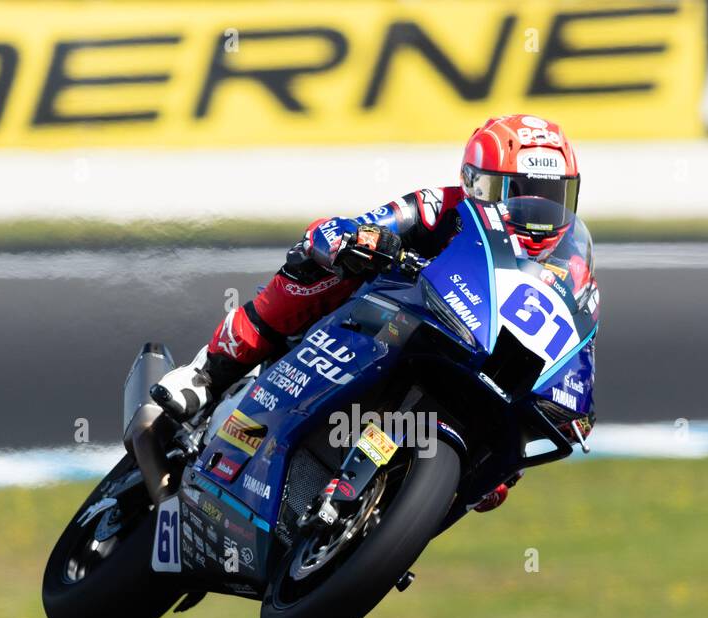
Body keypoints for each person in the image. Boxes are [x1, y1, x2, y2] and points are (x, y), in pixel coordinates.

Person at [155, 114, 590, 510]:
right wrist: (357, 241)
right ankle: (210, 373)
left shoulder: (570, 264)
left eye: (552, 197)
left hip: (468, 353)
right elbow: (348, 228)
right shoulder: (442, 207)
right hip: (385, 319)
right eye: (519, 195)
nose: (536, 213)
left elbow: (576, 336)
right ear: (478, 184)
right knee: (315, 263)